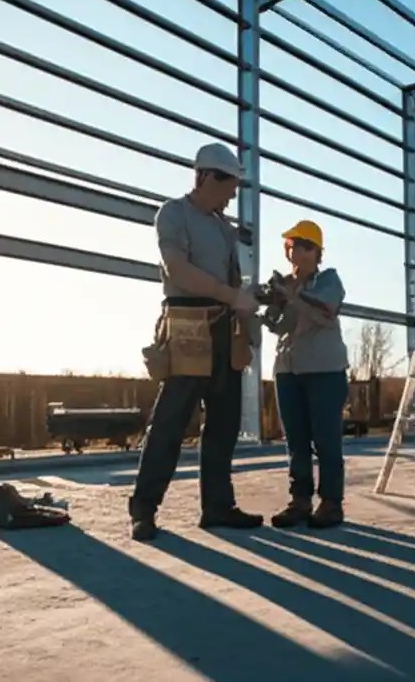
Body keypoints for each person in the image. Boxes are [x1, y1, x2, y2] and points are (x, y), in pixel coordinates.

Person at [128, 142, 263, 542]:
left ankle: (217, 506)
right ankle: (144, 509)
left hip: (224, 328)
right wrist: (230, 296)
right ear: (204, 177)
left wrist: (248, 317)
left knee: (223, 422)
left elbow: (233, 283)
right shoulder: (173, 214)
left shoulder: (224, 229)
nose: (234, 193)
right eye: (229, 184)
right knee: (170, 421)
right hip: (187, 323)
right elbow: (178, 270)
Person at [261, 220, 350, 529]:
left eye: (300, 245)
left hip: (324, 371)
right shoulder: (287, 284)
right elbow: (278, 326)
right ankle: (300, 500)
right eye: (290, 245)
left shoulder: (328, 281)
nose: (293, 250)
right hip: (288, 370)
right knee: (296, 441)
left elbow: (324, 312)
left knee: (326, 439)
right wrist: (272, 302)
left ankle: (331, 502)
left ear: (315, 251)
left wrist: (292, 296)